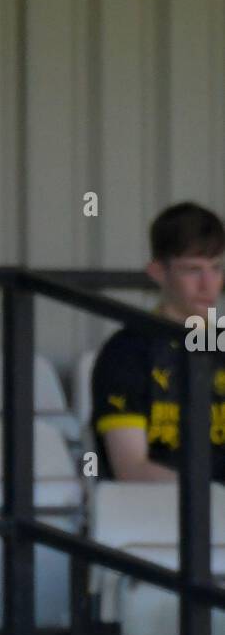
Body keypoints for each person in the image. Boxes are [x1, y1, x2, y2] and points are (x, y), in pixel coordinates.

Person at [91, 201, 225, 482]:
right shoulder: (126, 352)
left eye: (216, 268)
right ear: (157, 272)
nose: (208, 284)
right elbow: (131, 469)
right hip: (157, 513)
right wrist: (212, 497)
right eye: (192, 270)